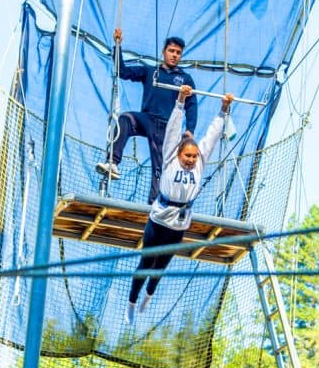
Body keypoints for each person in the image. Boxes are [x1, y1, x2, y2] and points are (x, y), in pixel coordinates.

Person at [125, 85, 234, 325]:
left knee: (162, 264)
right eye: (187, 156)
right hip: (160, 217)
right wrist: (180, 101)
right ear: (179, 154)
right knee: (146, 261)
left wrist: (224, 110)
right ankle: (132, 301)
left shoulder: (200, 162)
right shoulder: (171, 157)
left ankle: (149, 296)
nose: (191, 160)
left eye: (194, 157)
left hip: (180, 222)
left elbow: (211, 137)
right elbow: (174, 130)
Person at [96, 28, 198, 204]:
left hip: (167, 126)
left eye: (178, 53)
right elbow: (123, 71)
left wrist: (190, 129)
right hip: (148, 119)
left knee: (160, 165)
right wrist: (118, 46)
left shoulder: (185, 79)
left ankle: (155, 203)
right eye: (171, 51)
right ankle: (112, 162)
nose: (174, 55)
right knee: (126, 119)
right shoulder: (151, 71)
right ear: (164, 52)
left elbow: (191, 104)